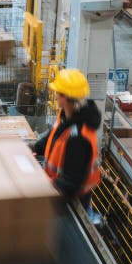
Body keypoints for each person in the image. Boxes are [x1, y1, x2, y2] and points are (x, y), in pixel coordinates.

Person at [32, 68, 102, 209]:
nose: (55, 95)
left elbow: (71, 182)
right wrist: (34, 148)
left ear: (64, 98)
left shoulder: (78, 138)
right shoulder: (66, 115)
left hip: (72, 199)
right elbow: (53, 136)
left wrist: (43, 186)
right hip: (58, 187)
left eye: (57, 93)